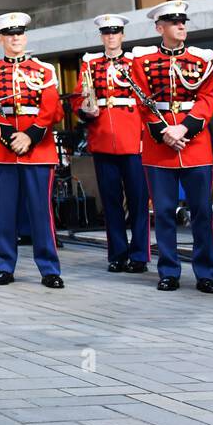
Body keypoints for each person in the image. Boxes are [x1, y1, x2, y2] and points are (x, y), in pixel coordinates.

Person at [130, 0, 213, 294]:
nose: (181, 26)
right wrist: (164, 132)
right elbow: (143, 105)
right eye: (173, 22)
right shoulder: (142, 61)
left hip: (195, 144)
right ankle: (168, 271)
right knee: (165, 213)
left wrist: (184, 128)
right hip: (160, 147)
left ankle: (206, 273)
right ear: (160, 28)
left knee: (202, 213)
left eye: (183, 21)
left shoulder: (202, 59)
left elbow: (208, 99)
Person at [0, 12, 64, 289]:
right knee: (4, 212)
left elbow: (50, 107)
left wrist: (30, 136)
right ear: (1, 39)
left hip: (38, 149)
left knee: (41, 212)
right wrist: (12, 138)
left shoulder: (44, 70)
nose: (16, 38)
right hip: (2, 151)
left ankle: (49, 268)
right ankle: (4, 266)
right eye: (10, 35)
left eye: (20, 34)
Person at [77, 14, 150, 274]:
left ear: (122, 36)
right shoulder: (90, 65)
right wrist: (86, 111)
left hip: (133, 140)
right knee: (111, 202)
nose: (111, 36)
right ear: (101, 37)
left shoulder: (135, 62)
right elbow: (80, 100)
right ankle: (118, 254)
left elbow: (145, 99)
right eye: (106, 32)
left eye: (115, 32)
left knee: (139, 200)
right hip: (103, 138)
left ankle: (139, 255)